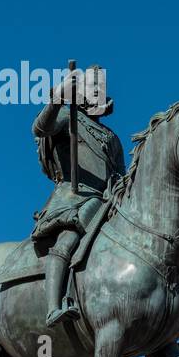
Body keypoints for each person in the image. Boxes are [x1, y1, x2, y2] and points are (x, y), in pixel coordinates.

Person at [31, 65, 126, 327]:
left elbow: (119, 175)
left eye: (101, 89)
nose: (98, 92)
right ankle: (53, 307)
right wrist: (58, 97)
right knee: (67, 240)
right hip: (74, 197)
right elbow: (40, 128)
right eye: (93, 87)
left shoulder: (111, 137)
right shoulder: (67, 116)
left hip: (106, 202)